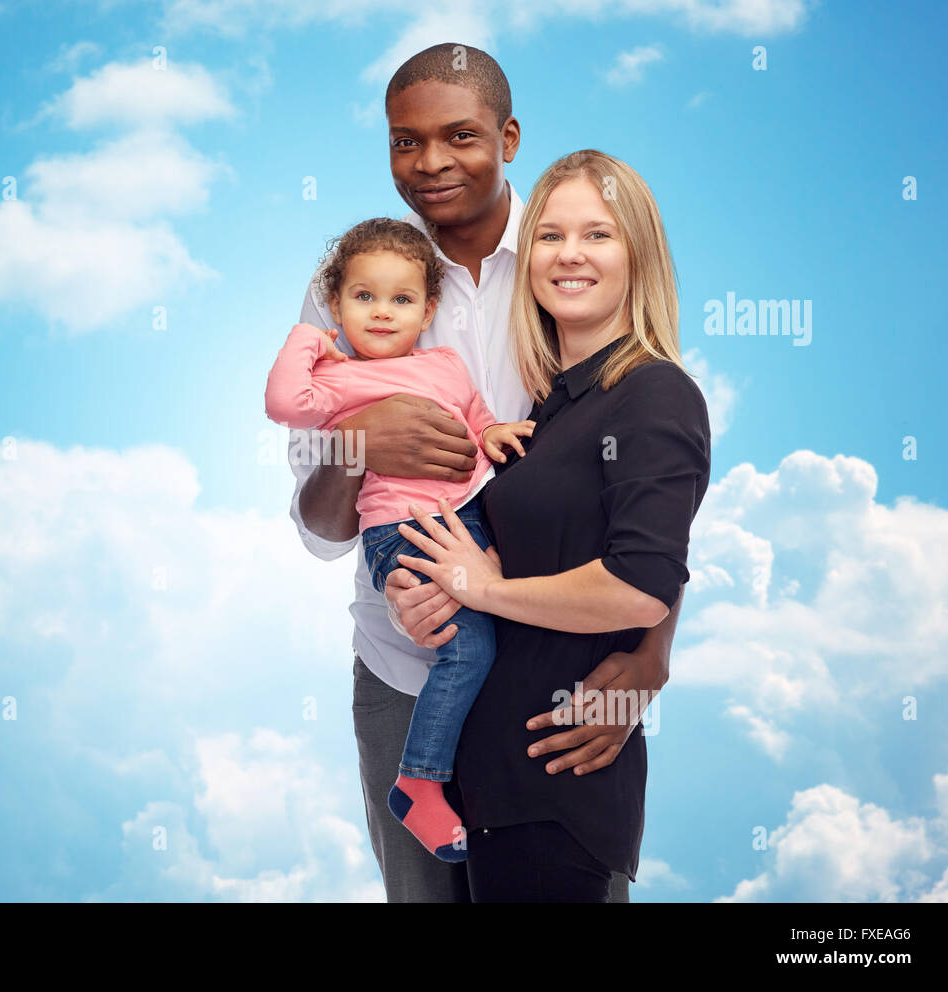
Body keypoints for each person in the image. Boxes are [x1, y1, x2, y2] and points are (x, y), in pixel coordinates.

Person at [287, 43, 683, 902]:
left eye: (459, 135)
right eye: (404, 141)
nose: (430, 163)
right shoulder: (353, 290)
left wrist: (652, 651)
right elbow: (319, 523)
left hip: (555, 677)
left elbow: (647, 491)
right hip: (403, 667)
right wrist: (361, 441)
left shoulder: (558, 270)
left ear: (508, 137)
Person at [386, 149, 711, 902]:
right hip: (493, 787)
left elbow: (641, 584)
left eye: (598, 235)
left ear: (639, 255)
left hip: (557, 792)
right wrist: (430, 588)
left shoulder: (654, 393)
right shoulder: (548, 412)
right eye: (549, 235)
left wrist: (483, 588)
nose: (569, 255)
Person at [265, 218, 535, 861]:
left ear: (427, 309)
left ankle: (432, 780)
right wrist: (309, 337)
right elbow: (282, 401)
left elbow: (476, 419)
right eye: (363, 298)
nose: (383, 313)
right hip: (401, 534)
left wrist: (493, 434)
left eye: (401, 299)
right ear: (336, 305)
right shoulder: (336, 381)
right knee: (466, 651)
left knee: (494, 634)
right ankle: (418, 783)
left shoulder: (444, 364)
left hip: (465, 520)